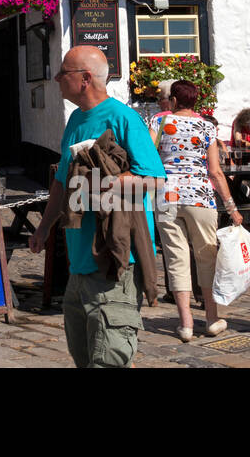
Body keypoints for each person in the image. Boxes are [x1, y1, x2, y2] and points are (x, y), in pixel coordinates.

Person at [29, 46, 166, 368]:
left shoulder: (123, 117)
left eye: (64, 72)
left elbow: (154, 178)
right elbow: (62, 183)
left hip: (114, 258)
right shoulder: (76, 119)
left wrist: (107, 183)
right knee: (87, 356)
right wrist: (44, 228)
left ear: (85, 79)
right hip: (79, 262)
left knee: (110, 359)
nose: (57, 78)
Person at [149, 80, 241, 341]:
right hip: (200, 196)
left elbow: (147, 157)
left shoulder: (158, 123)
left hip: (167, 196)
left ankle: (186, 323)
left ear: (174, 101)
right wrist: (231, 207)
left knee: (176, 258)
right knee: (206, 255)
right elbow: (215, 171)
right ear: (194, 102)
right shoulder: (207, 127)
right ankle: (212, 318)